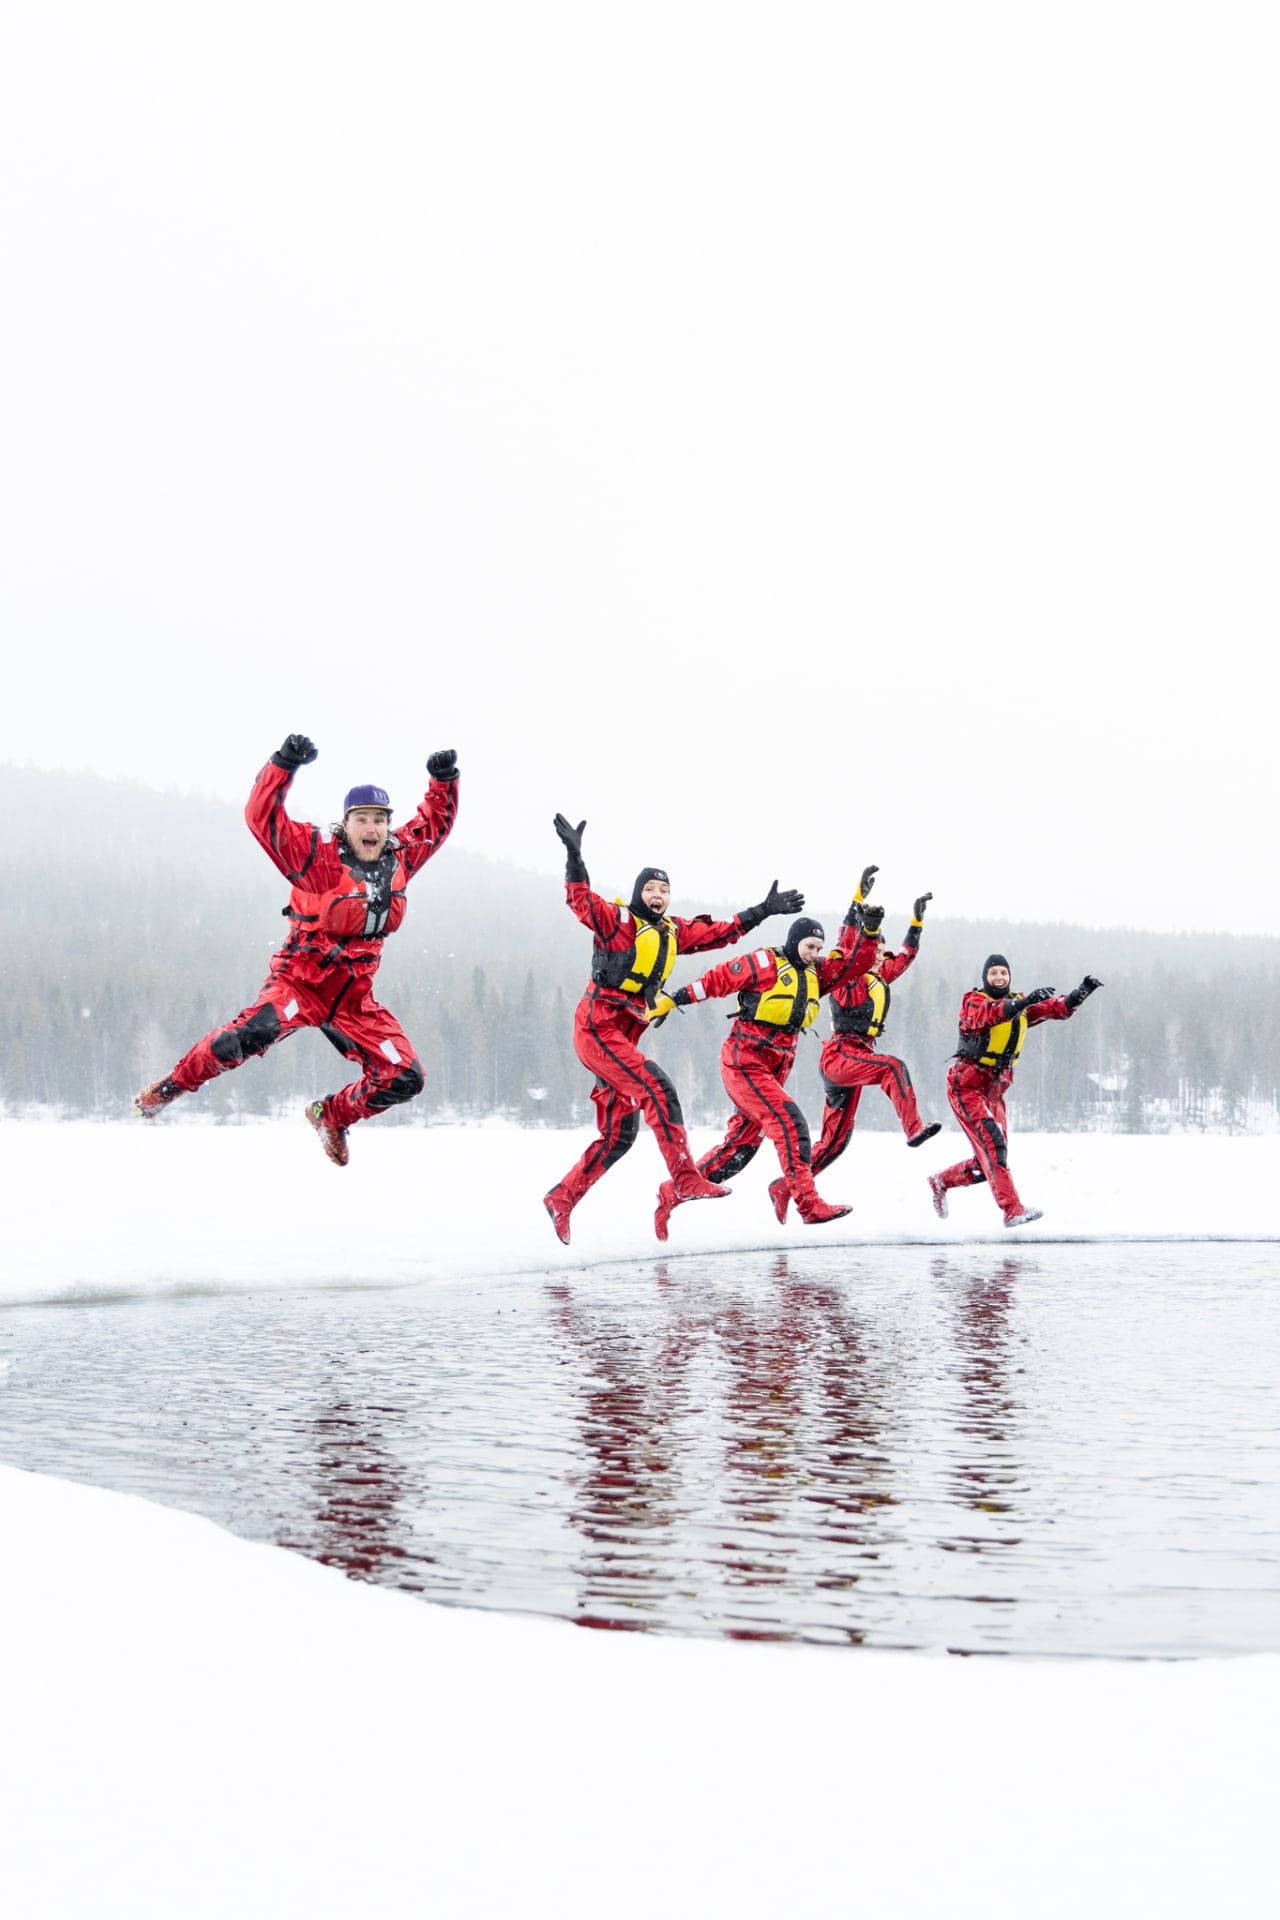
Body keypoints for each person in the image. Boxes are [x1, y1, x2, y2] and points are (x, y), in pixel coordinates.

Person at [134, 734, 459, 1165]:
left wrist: (444, 780)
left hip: (353, 1001)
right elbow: (261, 817)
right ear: (346, 823)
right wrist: (283, 765)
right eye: (362, 819)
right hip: (299, 985)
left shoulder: (400, 858)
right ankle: (170, 1087)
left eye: (380, 820)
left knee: (404, 1078)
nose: (372, 828)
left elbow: (433, 825)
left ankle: (332, 1115)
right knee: (247, 1036)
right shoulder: (319, 856)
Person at [542, 814, 803, 1245]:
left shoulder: (673, 931)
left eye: (664, 890)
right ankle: (684, 1178)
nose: (658, 896)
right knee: (658, 1087)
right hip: (596, 1025)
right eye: (650, 889)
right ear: (637, 893)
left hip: (623, 1035)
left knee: (619, 1135)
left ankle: (561, 1199)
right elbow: (579, 899)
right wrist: (575, 854)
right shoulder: (617, 920)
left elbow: (721, 933)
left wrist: (764, 910)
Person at [650, 908, 883, 1240]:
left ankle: (669, 1194)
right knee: (790, 1122)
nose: (814, 954)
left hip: (777, 1065)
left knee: (739, 1152)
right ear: (793, 942)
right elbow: (716, 981)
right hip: (744, 1060)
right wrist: (674, 1000)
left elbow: (854, 963)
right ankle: (808, 1204)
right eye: (809, 947)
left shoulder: (818, 973)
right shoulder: (764, 964)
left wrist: (870, 931)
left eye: (819, 949)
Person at [776, 866, 941, 1223]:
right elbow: (848, 941)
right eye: (875, 949)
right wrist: (857, 900)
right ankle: (913, 1129)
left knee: (835, 1143)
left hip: (857, 1058)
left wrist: (916, 922)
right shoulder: (849, 974)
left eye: (882, 951)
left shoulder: (882, 974)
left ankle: (784, 1188)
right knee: (894, 1068)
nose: (879, 956)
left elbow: (906, 956)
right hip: (839, 1054)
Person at [929, 955, 1103, 1227]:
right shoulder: (973, 1001)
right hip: (966, 1086)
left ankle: (941, 1180)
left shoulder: (1020, 1006)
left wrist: (1079, 994)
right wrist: (1022, 1002)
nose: (999, 977)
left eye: (1003, 973)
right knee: (994, 1149)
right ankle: (1012, 1210)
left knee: (992, 1160)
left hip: (995, 1090)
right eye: (994, 973)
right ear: (985, 976)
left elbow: (1053, 1009)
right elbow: (987, 1015)